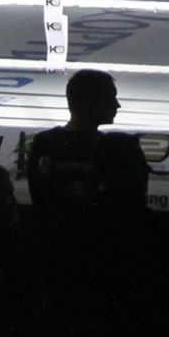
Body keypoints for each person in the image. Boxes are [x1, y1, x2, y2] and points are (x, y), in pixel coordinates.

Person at [25, 68, 119, 223]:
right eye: (111, 98)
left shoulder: (43, 142)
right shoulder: (110, 148)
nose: (117, 105)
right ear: (92, 102)